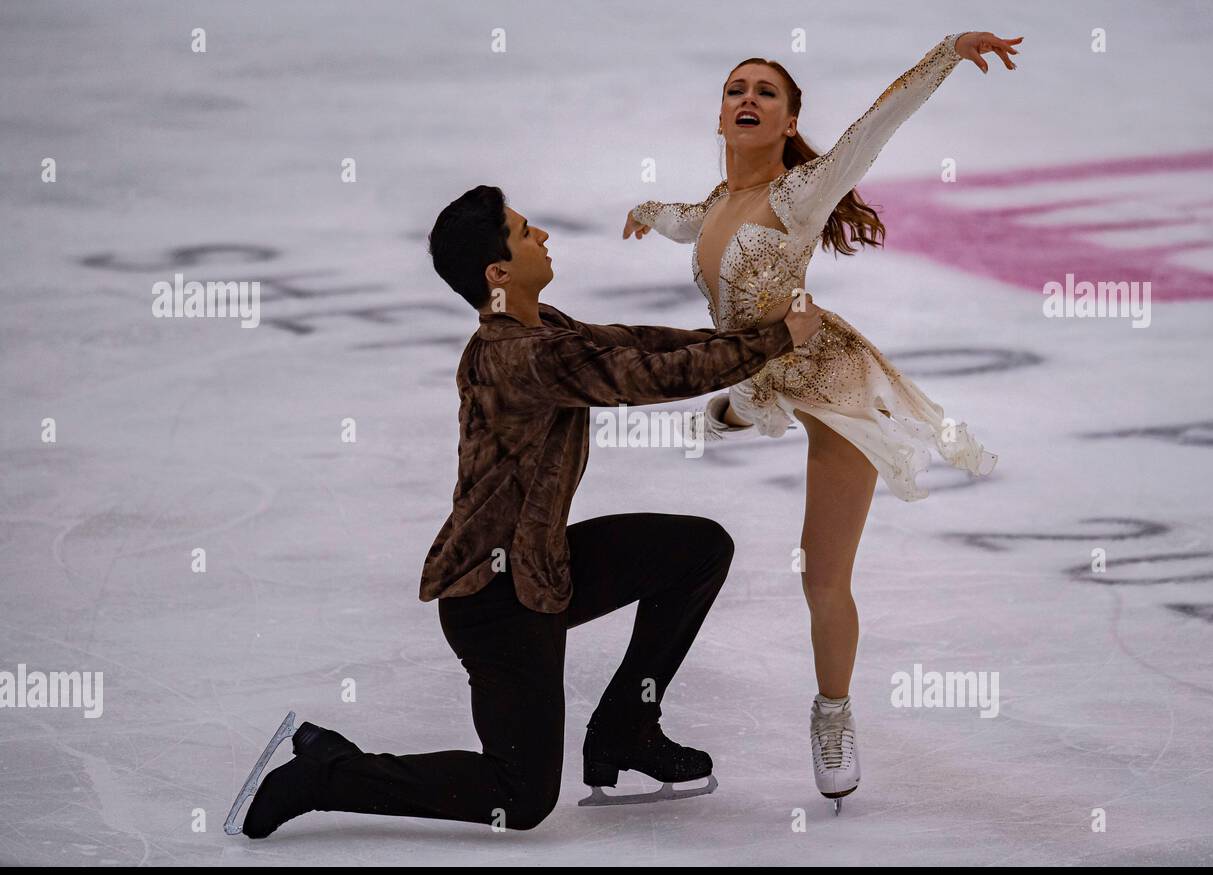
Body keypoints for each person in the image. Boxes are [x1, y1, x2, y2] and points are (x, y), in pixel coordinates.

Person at [227, 184, 826, 837]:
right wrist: (771, 342)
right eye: (524, 232)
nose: (541, 235)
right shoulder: (522, 355)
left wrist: (759, 336)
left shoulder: (544, 329)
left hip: (541, 568)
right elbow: (643, 379)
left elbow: (635, 344)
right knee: (518, 797)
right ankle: (328, 773)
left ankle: (626, 727)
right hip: (495, 602)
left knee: (696, 549)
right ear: (499, 272)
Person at [622, 31, 1020, 812]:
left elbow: (877, 125)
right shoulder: (714, 205)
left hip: (828, 379)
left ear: (788, 119)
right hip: (759, 363)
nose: (748, 98)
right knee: (741, 387)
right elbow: (681, 220)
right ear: (720, 115)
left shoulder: (800, 193)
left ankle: (833, 713)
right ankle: (740, 406)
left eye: (766, 92)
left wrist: (946, 54)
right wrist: (644, 211)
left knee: (821, 571)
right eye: (737, 88)